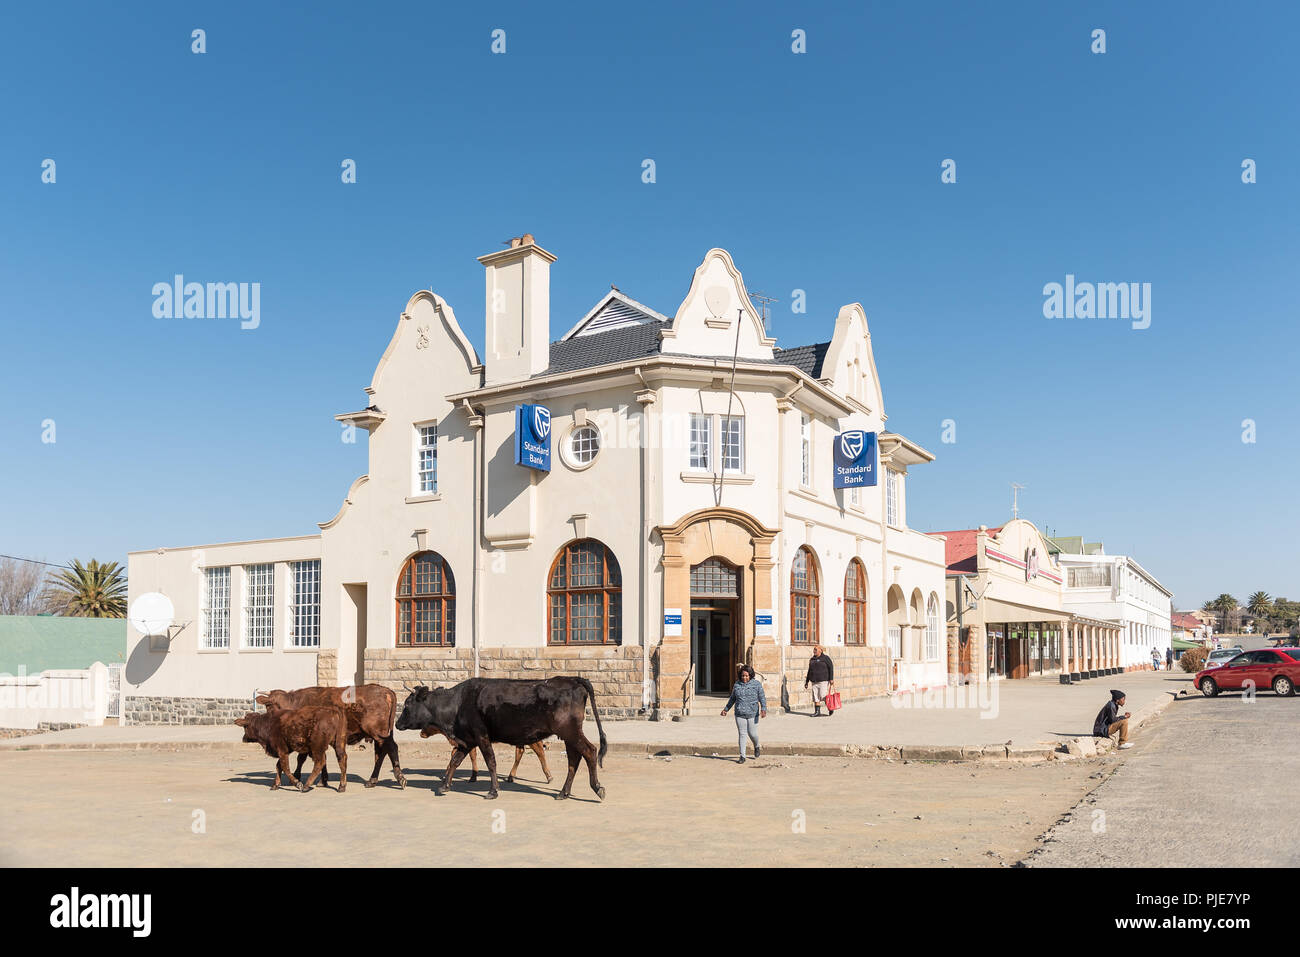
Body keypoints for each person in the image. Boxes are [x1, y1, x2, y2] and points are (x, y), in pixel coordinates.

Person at [721, 665, 767, 764]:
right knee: (742, 734)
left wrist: (763, 709)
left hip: (753, 713)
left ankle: (757, 746)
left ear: (750, 675)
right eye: (742, 676)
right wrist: (726, 709)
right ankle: (742, 756)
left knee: (752, 734)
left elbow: (762, 698)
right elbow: (732, 698)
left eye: (746, 676)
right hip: (739, 713)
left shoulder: (757, 684)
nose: (744, 678)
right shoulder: (737, 685)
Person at [805, 645, 836, 716]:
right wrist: (807, 681)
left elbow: (831, 668)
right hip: (814, 680)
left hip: (823, 680)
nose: (814, 651)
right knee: (816, 696)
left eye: (816, 649)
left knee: (823, 695)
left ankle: (830, 708)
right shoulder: (812, 659)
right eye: (814, 649)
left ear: (820, 650)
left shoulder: (826, 658)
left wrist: (831, 679)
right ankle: (817, 712)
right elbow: (809, 670)